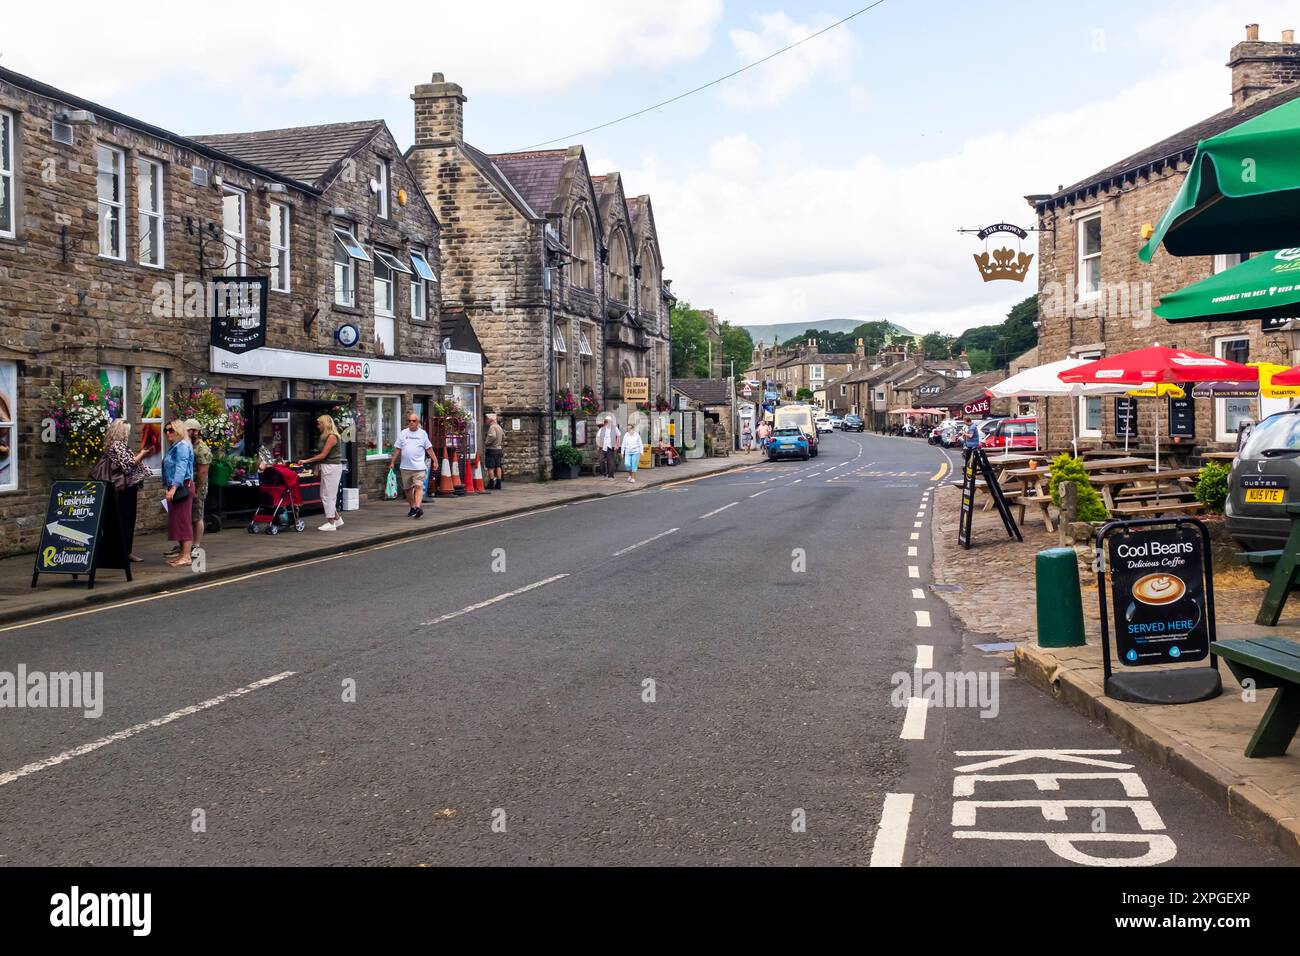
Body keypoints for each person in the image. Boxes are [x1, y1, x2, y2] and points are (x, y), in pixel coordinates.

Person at [95, 419, 152, 562]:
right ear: (122, 432)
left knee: (120, 520)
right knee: (125, 520)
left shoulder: (112, 446)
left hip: (119, 489)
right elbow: (128, 466)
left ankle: (123, 552)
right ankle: (124, 553)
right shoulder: (118, 445)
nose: (129, 433)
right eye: (127, 431)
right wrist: (143, 454)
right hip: (123, 489)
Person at [296, 414, 344, 531]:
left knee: (329, 495)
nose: (318, 426)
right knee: (325, 494)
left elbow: (323, 455)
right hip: (327, 466)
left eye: (319, 424)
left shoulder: (332, 436)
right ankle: (337, 519)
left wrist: (306, 461)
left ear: (325, 424)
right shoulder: (325, 436)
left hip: (331, 467)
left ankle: (331, 523)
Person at [161, 419, 195, 568]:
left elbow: (181, 469)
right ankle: (182, 555)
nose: (167, 433)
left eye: (171, 430)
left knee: (183, 522)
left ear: (179, 431)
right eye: (166, 430)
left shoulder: (182, 446)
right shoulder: (175, 446)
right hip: (175, 487)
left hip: (182, 487)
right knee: (178, 522)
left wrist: (173, 488)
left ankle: (187, 556)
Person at [389, 411, 433, 518]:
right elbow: (397, 449)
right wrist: (392, 462)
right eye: (409, 421)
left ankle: (418, 508)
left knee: (418, 486)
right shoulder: (403, 433)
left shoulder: (422, 434)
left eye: (414, 421)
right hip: (405, 467)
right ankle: (413, 507)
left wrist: (435, 460)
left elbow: (429, 448)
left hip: (419, 467)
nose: (411, 423)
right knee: (408, 490)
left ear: (417, 422)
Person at [185, 419, 212, 555]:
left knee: (197, 515)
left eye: (189, 430)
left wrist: (197, 488)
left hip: (198, 486)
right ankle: (186, 544)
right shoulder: (188, 445)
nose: (187, 432)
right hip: (189, 485)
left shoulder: (202, 449)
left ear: (196, 432)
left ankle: (196, 545)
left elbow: (203, 471)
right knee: (187, 515)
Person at [484, 413, 505, 490]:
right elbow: (503, 436)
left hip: (492, 449)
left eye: (487, 419)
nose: (486, 420)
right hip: (498, 449)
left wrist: (487, 442)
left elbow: (492, 436)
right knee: (498, 466)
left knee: (490, 467)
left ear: (490, 419)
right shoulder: (499, 427)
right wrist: (499, 443)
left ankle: (491, 483)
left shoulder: (492, 427)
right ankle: (498, 484)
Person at [596, 414, 619, 480]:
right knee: (600, 460)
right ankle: (604, 474)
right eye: (606, 421)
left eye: (609, 421)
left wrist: (617, 445)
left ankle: (611, 476)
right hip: (603, 447)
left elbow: (618, 436)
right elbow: (598, 437)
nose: (607, 422)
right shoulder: (602, 429)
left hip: (611, 447)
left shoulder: (614, 428)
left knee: (611, 462)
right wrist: (598, 445)